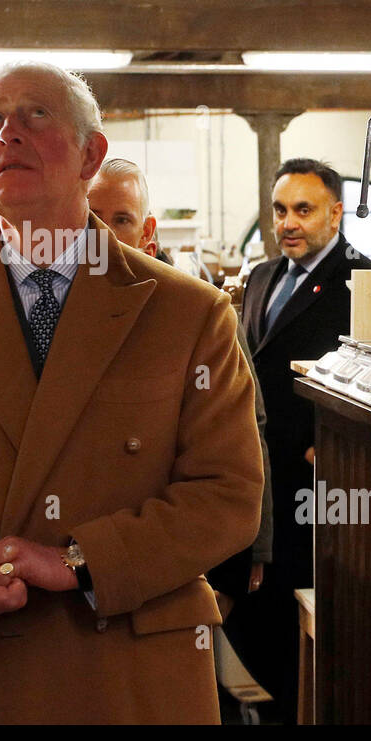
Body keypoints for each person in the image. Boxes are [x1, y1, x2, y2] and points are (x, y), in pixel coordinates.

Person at [0, 61, 263, 724]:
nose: (8, 133)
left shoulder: (190, 314)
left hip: (135, 680)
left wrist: (81, 561)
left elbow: (228, 496)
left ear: (91, 153)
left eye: (34, 115)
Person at [228, 157, 371, 722]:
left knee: (308, 624)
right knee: (254, 615)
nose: (288, 223)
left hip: (324, 492)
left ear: (336, 212)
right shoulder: (260, 278)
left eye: (303, 210)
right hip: (257, 484)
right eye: (280, 210)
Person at [89, 159, 273, 605]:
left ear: (148, 231)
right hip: (92, 559)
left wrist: (257, 547)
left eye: (122, 220)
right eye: (93, 220)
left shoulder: (201, 314)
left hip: (185, 547)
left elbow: (251, 430)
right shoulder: (58, 316)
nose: (105, 237)